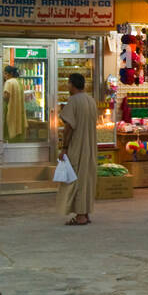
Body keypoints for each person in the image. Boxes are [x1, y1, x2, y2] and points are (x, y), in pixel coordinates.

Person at [57, 73, 98, 224]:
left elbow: (68, 127)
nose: (67, 86)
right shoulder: (91, 101)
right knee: (87, 178)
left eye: (68, 84)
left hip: (77, 146)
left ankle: (80, 215)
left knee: (76, 180)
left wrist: (64, 147)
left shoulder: (73, 101)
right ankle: (85, 212)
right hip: (91, 146)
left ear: (72, 85)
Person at [2, 66, 26, 142]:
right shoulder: (19, 82)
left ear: (11, 74)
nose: (4, 76)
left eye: (6, 74)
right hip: (19, 114)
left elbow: (6, 97)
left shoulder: (9, 82)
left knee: (10, 133)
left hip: (11, 112)